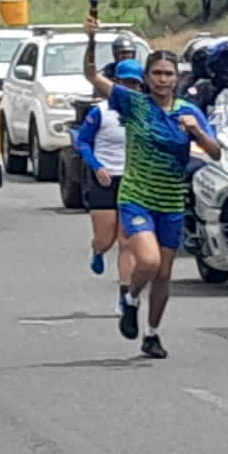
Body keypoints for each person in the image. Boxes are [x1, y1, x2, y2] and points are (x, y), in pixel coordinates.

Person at [83, 17, 221, 359]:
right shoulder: (133, 104)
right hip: (136, 198)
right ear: (147, 78)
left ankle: (152, 333)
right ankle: (130, 299)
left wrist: (197, 133)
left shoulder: (189, 111)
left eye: (168, 74)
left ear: (177, 78)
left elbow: (216, 152)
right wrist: (91, 39)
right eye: (156, 74)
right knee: (148, 260)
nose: (162, 80)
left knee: (163, 275)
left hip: (170, 201)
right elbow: (92, 76)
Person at [76, 60, 145, 295]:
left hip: (131, 181)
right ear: (116, 83)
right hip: (105, 179)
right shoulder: (101, 112)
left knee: (127, 242)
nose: (130, 88)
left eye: (134, 84)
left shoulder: (144, 112)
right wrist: (97, 166)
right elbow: (82, 141)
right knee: (105, 240)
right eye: (125, 83)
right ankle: (97, 251)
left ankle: (125, 295)